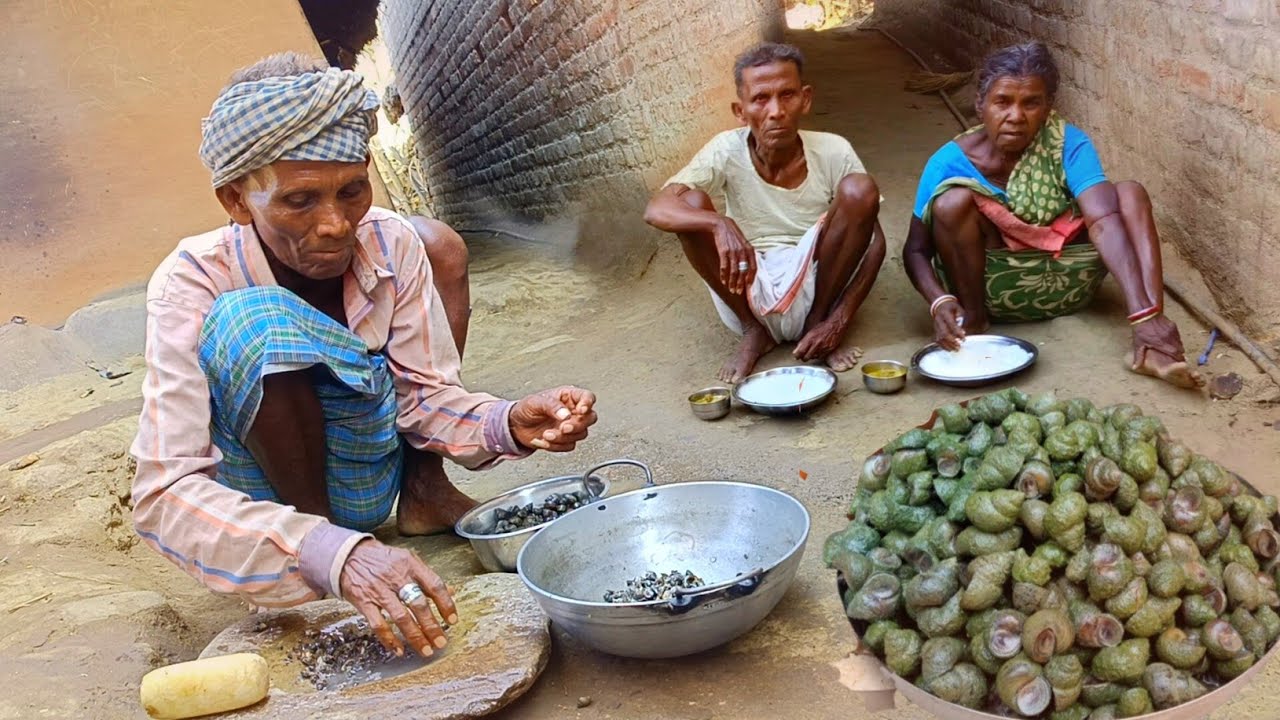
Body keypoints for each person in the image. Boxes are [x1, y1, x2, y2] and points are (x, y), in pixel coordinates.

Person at [129, 52, 598, 659]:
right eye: (299, 201)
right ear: (238, 202)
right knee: (254, 321)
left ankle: (381, 525)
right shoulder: (190, 279)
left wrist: (504, 420)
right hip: (262, 503)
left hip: (364, 474)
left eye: (352, 191)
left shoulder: (390, 242)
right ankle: (327, 559)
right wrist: (327, 551)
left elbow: (420, 393)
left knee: (415, 253)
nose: (336, 225)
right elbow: (163, 493)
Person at [903, 41, 1203, 389]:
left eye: (1031, 103)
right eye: (1002, 102)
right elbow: (915, 250)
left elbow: (1103, 219)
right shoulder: (948, 161)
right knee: (951, 203)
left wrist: (1143, 314)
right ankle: (975, 321)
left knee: (1130, 194)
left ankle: (1151, 334)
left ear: (1048, 108)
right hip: (990, 290)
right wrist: (940, 301)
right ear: (980, 105)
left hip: (1067, 282)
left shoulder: (1067, 143)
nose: (1016, 115)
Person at [644, 42, 885, 384]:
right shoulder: (725, 150)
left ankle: (817, 323)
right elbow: (656, 209)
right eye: (760, 99)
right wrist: (719, 223)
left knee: (859, 189)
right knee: (693, 204)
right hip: (746, 284)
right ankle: (753, 331)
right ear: (740, 111)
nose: (776, 111)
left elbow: (874, 241)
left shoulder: (833, 150)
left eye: (787, 95)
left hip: (821, 283)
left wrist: (839, 318)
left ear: (806, 98)